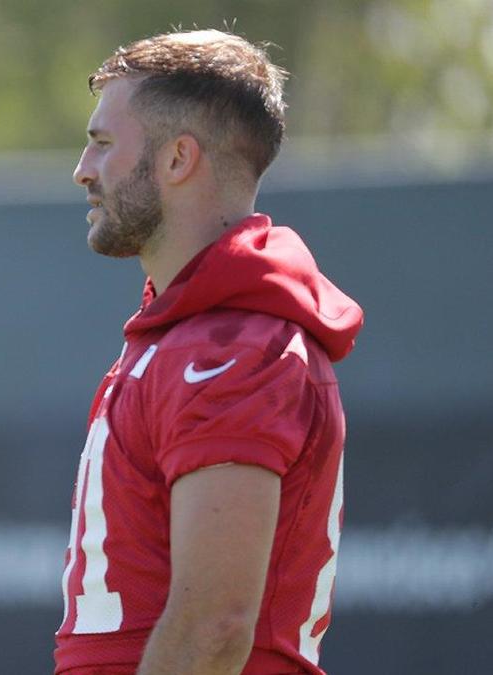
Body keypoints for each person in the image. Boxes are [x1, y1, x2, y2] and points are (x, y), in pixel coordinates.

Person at [56, 30, 364, 674]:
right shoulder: (190, 330)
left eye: (103, 143)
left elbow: (215, 627)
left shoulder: (234, 347)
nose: (83, 168)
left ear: (177, 160)